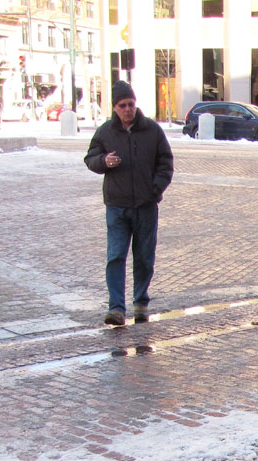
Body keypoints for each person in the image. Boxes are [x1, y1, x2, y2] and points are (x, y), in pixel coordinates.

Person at [83, 80, 174, 326]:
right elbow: (90, 158)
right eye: (122, 105)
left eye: (131, 104)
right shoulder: (105, 132)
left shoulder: (152, 131)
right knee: (116, 256)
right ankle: (116, 308)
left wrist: (155, 189)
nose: (127, 109)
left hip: (146, 206)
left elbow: (165, 162)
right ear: (115, 108)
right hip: (117, 206)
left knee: (144, 257)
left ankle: (141, 301)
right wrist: (103, 161)